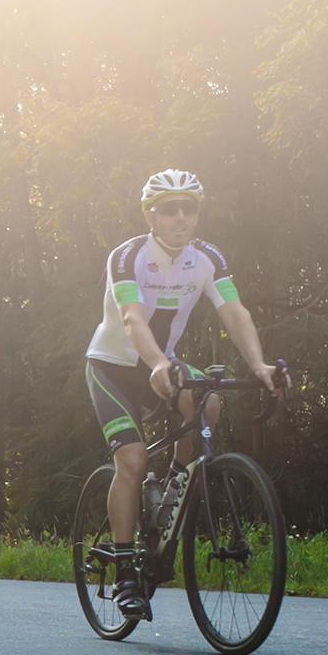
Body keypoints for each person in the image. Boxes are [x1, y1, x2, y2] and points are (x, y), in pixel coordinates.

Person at [86, 169, 281, 621]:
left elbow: (234, 311)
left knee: (209, 400)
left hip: (163, 363)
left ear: (196, 214)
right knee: (132, 460)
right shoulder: (128, 255)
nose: (180, 216)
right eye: (169, 208)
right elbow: (132, 318)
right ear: (151, 215)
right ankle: (125, 575)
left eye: (188, 208)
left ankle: (172, 488)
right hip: (113, 367)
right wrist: (156, 362)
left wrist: (259, 366)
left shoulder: (207, 258)